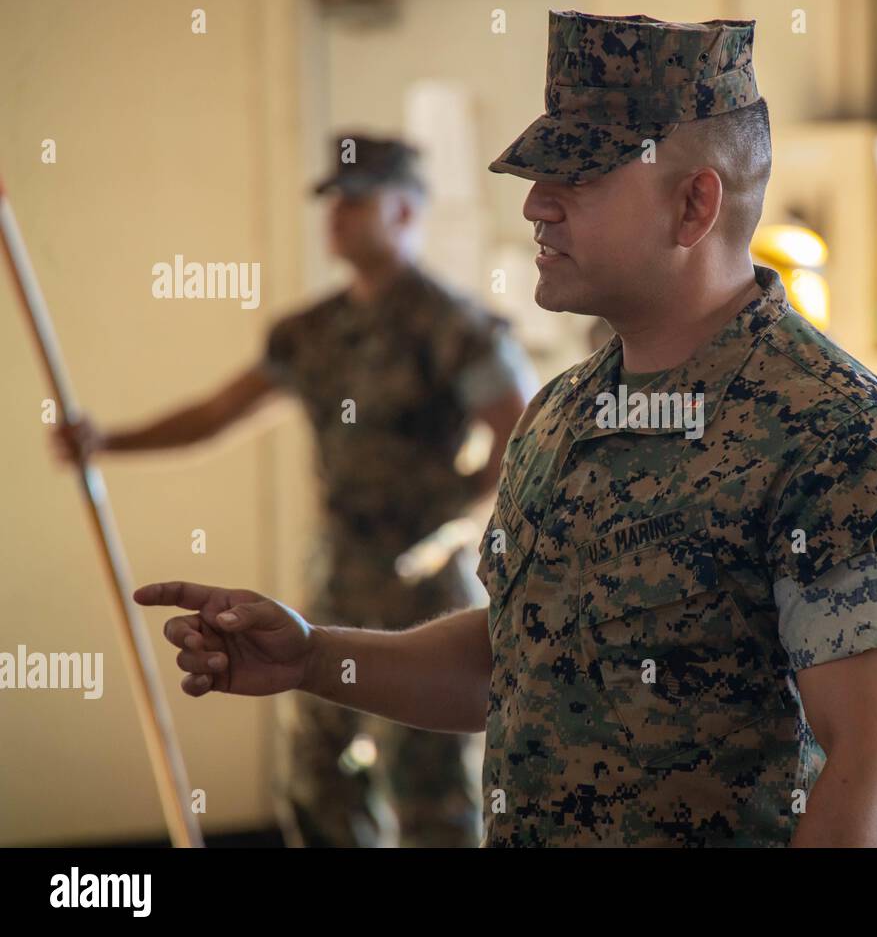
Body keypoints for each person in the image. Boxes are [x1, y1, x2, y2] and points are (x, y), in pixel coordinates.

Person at [133, 10, 877, 847]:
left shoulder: (843, 441)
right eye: (540, 175)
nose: (536, 205)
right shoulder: (561, 414)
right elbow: (515, 660)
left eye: (579, 176)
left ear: (693, 204)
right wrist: (314, 658)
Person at [54, 135, 533, 847]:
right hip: (335, 576)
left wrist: (453, 515)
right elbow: (216, 415)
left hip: (423, 588)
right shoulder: (311, 333)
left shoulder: (452, 326)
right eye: (330, 200)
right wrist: (107, 441)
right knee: (317, 773)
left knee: (426, 777)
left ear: (404, 210)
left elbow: (519, 436)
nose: (336, 214)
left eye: (356, 199)